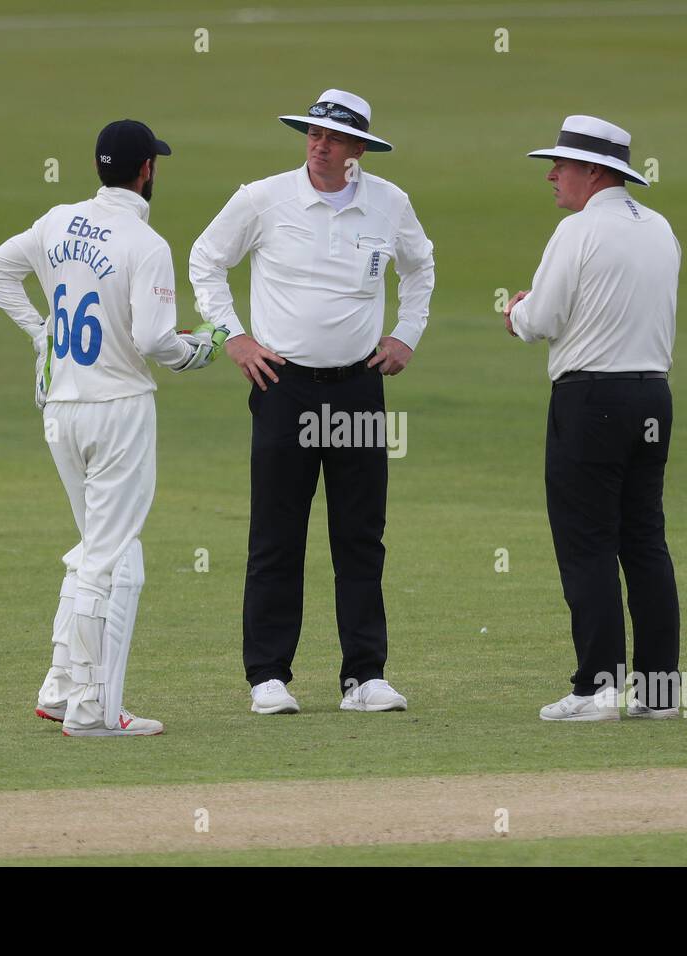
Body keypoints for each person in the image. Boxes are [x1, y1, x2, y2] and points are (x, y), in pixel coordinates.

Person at [190, 89, 435, 715]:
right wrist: (233, 338)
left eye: (334, 138)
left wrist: (407, 333)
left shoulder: (389, 203)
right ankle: (268, 675)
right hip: (282, 386)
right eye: (313, 135)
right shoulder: (263, 198)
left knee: (360, 535)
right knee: (277, 533)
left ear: (358, 149)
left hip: (357, 386)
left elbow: (420, 267)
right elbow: (206, 261)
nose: (320, 146)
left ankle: (365, 676)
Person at [0, 119, 223, 737]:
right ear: (147, 171)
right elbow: (152, 339)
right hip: (119, 409)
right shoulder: (147, 245)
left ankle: (62, 687)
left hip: (62, 409)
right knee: (112, 561)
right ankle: (93, 709)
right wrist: (201, 350)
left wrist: (42, 335)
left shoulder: (58, 220)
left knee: (95, 547)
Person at [504, 115, 683, 722]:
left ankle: (598, 688)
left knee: (587, 544)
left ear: (594, 171)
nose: (552, 174)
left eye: (562, 164)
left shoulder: (577, 231)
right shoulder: (661, 229)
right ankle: (658, 692)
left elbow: (543, 320)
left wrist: (517, 312)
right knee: (645, 542)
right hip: (653, 398)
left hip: (591, 400)